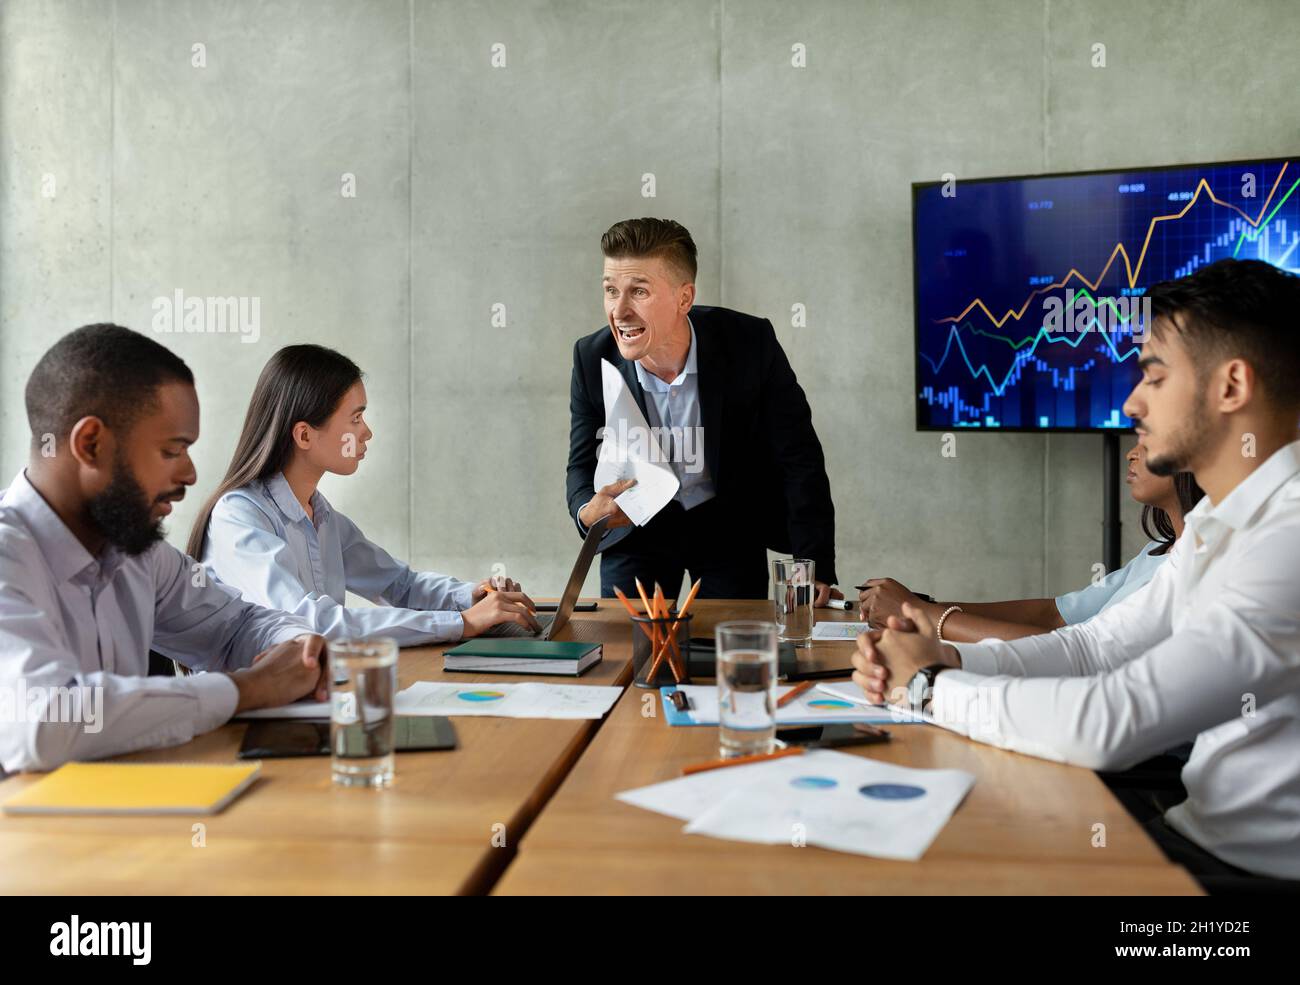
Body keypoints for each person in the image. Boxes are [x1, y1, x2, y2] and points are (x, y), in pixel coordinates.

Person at [853, 259, 1300, 882]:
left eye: (1154, 376)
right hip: (1192, 837)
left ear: (1231, 386)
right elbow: (1096, 648)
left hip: (1239, 884)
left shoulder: (1287, 540)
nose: (1132, 403)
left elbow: (1115, 720)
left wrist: (929, 686)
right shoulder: (1218, 521)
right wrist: (948, 659)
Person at [0, 325, 329, 774]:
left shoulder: (135, 550)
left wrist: (296, 647)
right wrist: (249, 689)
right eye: (173, 450)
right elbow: (47, 720)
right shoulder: (9, 554)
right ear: (90, 444)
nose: (190, 475)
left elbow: (236, 624)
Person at [567, 217, 841, 603]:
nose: (620, 310)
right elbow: (580, 465)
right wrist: (587, 513)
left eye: (639, 291)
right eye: (611, 290)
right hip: (638, 528)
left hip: (728, 523)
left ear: (684, 299)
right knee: (629, 641)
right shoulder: (590, 357)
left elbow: (799, 459)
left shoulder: (750, 343)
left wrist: (813, 565)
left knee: (733, 640)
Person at [190, 345, 541, 643]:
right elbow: (309, 624)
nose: (367, 433)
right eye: (355, 419)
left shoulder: (322, 516)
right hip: (249, 701)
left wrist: (470, 597)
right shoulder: (239, 516)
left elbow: (399, 585)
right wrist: (461, 623)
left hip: (308, 690)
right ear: (304, 435)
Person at [858, 442, 1204, 642]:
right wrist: (917, 607)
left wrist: (922, 615)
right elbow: (1055, 615)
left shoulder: (1196, 567)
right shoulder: (1157, 551)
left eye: (1148, 435)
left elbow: (1077, 652)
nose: (1131, 452)